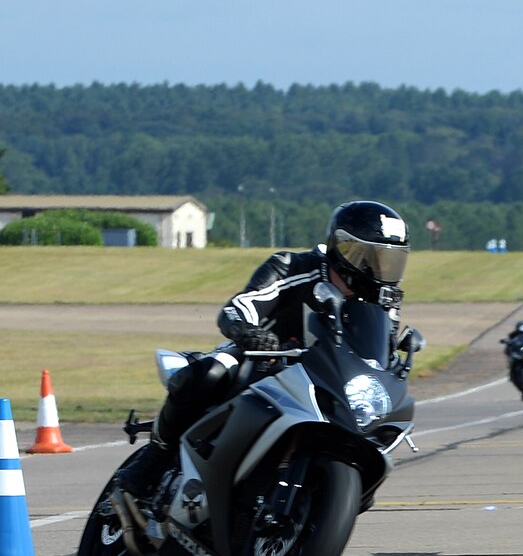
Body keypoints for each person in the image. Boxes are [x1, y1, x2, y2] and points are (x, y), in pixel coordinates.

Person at [116, 201, 416, 499]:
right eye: (370, 257)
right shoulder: (295, 267)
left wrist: (395, 372)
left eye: (388, 260)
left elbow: (379, 357)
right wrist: (252, 334)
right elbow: (239, 307)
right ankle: (156, 456)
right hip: (262, 363)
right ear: (344, 249)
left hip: (326, 384)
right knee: (209, 373)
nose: (377, 269)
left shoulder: (383, 305)